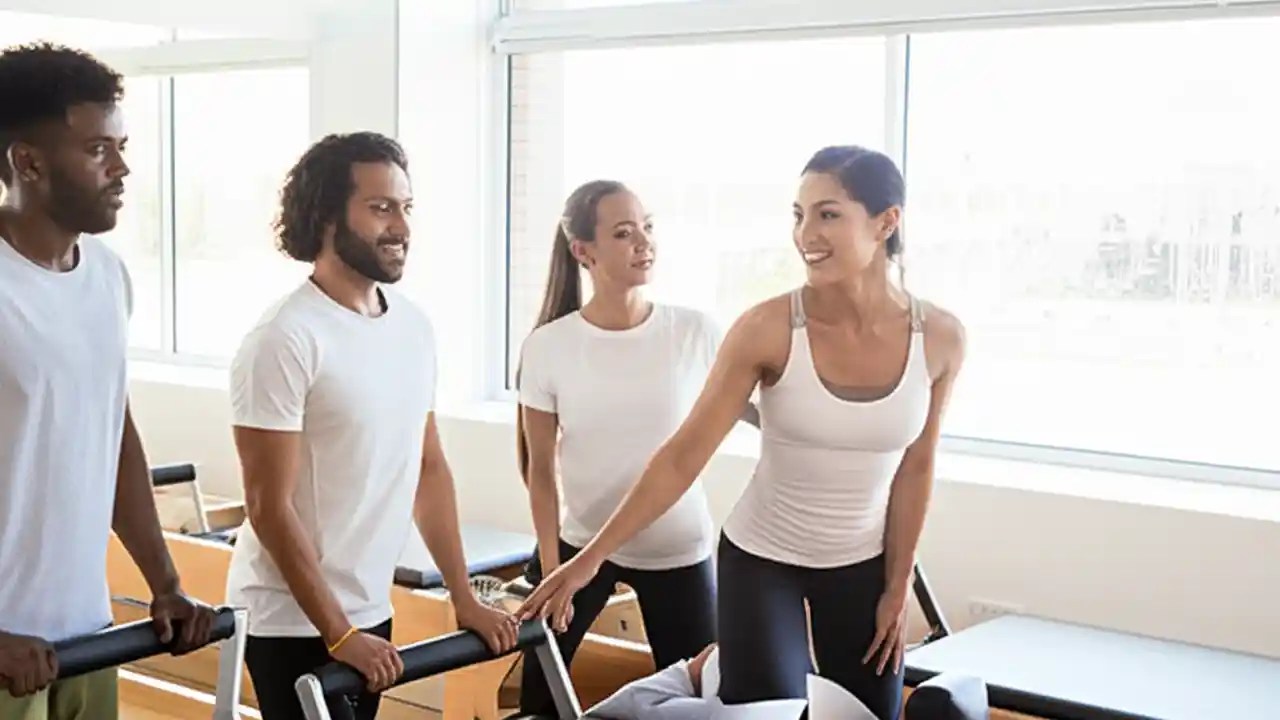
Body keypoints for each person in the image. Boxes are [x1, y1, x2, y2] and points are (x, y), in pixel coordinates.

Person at [519, 146, 966, 720]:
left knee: (865, 716)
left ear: (886, 222)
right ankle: (696, 678)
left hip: (862, 563)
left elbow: (917, 466)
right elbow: (681, 457)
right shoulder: (767, 328)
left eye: (828, 214)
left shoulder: (941, 338)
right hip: (763, 561)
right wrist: (586, 560)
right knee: (768, 715)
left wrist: (897, 583)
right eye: (798, 214)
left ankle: (700, 673)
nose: (806, 233)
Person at [226, 131, 519, 720]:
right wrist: (337, 634)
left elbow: (428, 468)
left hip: (368, 608)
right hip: (290, 620)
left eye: (406, 208)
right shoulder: (285, 338)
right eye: (381, 208)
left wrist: (463, 597)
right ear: (327, 215)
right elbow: (268, 506)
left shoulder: (412, 327)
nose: (401, 226)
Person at [0, 42, 219, 718]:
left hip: (84, 635)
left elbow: (112, 432)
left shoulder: (107, 277)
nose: (122, 168)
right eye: (99, 149)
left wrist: (166, 580)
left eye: (121, 145)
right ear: (27, 162)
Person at [515, 180, 750, 715]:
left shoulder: (695, 332)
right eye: (624, 233)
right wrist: (555, 570)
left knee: (703, 704)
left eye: (647, 227)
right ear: (584, 252)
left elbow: (765, 413)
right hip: (580, 545)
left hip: (677, 548)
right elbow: (540, 472)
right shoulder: (549, 346)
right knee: (536, 702)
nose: (643, 241)